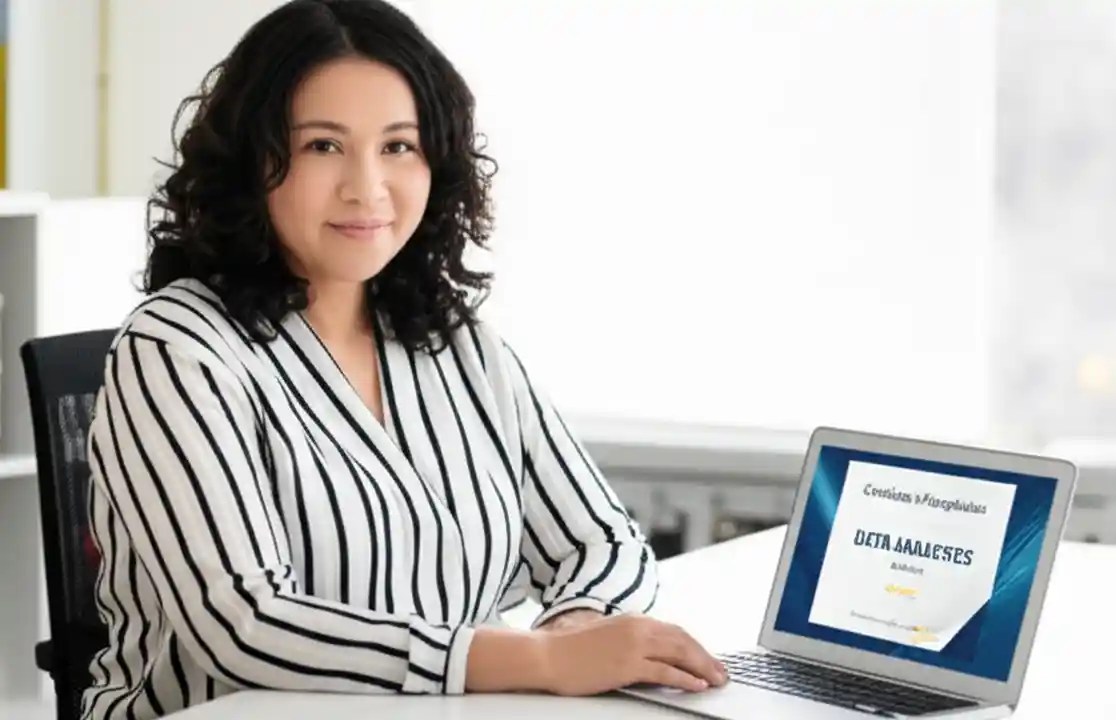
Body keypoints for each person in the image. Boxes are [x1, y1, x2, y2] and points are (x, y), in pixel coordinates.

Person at [80, 1, 726, 718]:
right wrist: (536, 661)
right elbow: (245, 624)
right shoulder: (177, 350)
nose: (367, 187)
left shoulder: (457, 344)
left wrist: (579, 628)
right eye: (322, 146)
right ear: (252, 160)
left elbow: (599, 541)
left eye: (398, 146)